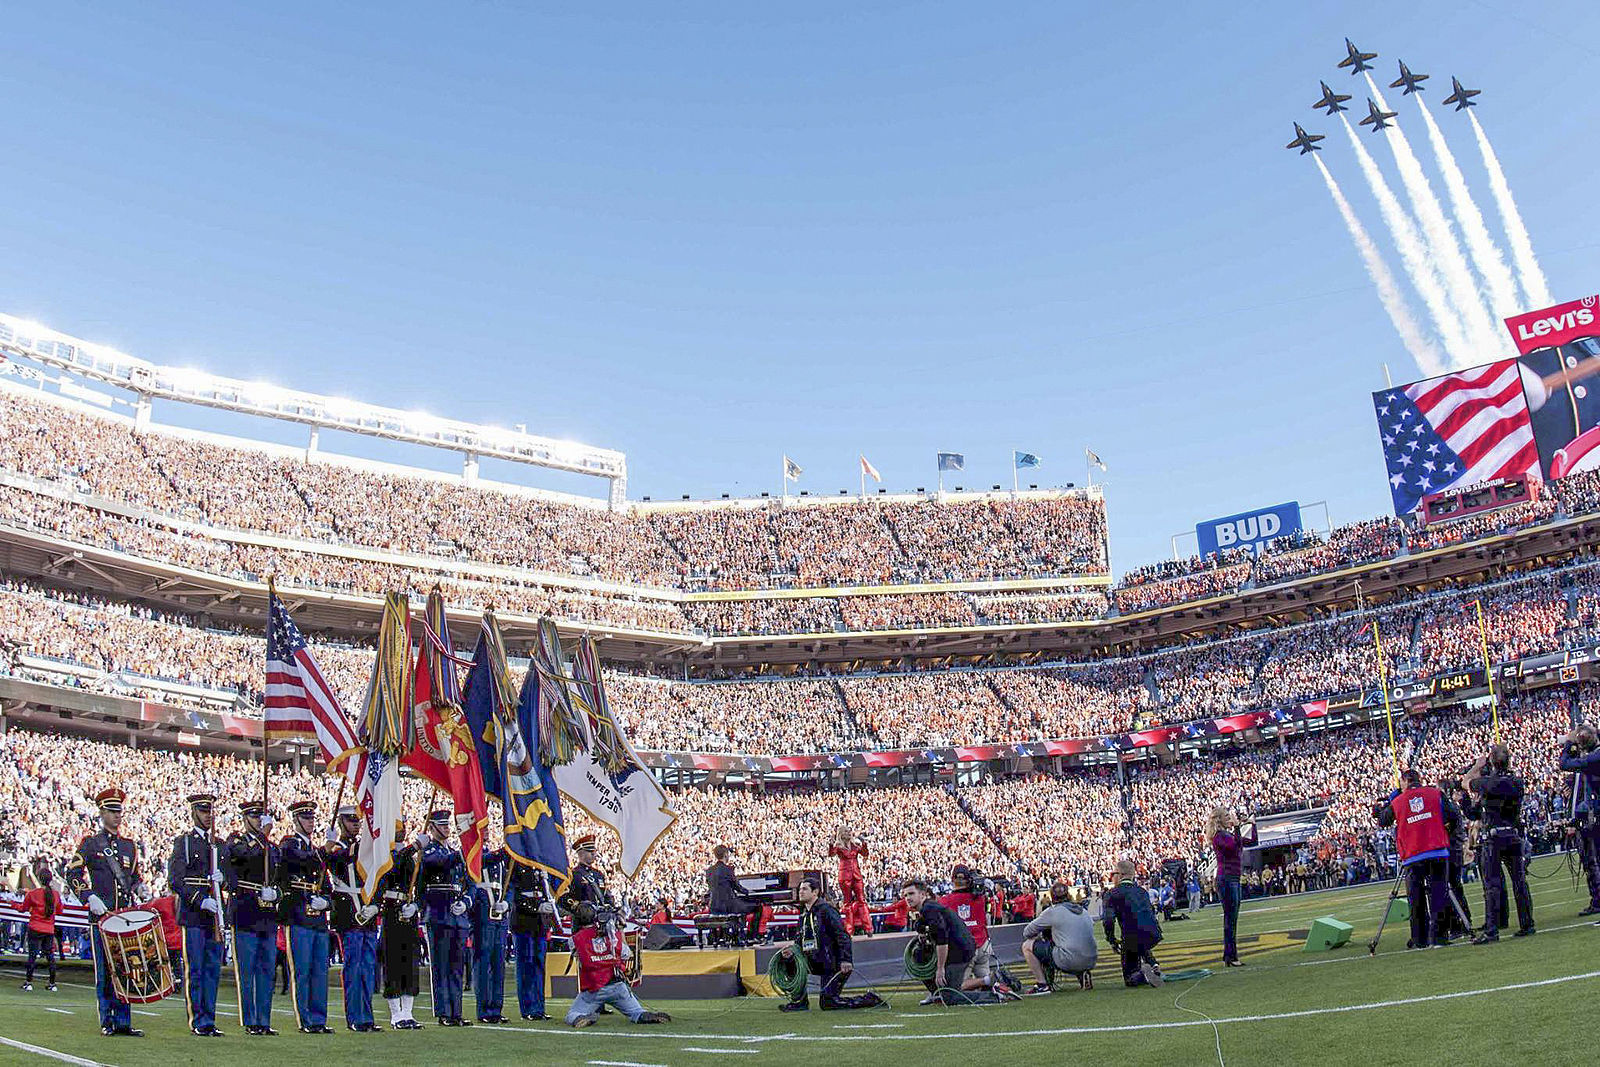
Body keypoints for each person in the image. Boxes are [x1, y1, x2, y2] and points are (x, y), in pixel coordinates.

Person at [63, 786, 146, 1037]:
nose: (117, 816)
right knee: (105, 973)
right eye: (112, 811)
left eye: (119, 811)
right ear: (102, 812)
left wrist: (140, 888)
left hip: (124, 918)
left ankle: (123, 1021)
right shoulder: (91, 844)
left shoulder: (129, 846)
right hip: (102, 918)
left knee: (126, 969)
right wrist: (88, 897)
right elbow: (72, 873)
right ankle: (107, 1020)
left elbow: (133, 878)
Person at [1374, 768, 1459, 949]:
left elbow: (1383, 820)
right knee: (1439, 894)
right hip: (1437, 850)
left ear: (1405, 781)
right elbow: (1454, 816)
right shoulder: (1436, 794)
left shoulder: (1398, 801)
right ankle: (1439, 938)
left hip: (1413, 855)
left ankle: (1420, 939)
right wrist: (1444, 831)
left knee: (1416, 899)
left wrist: (1379, 809)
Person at [166, 792, 226, 1036]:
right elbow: (176, 880)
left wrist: (225, 879)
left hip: (214, 917)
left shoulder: (218, 845)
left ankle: (209, 1019)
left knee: (212, 970)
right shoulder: (185, 843)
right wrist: (200, 900)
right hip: (194, 913)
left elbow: (231, 877)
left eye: (210, 811)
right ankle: (197, 1020)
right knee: (197, 969)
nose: (208, 816)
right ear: (193, 812)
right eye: (203, 811)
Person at [777, 876, 883, 1012]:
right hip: (814, 959)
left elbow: (842, 936)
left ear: (815, 892)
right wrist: (792, 951)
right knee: (790, 961)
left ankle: (869, 999)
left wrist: (845, 959)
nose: (800, 892)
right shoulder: (804, 914)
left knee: (828, 1003)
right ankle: (799, 1002)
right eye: (800, 889)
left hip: (832, 962)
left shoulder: (826, 910)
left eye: (804, 889)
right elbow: (800, 939)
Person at [900, 880, 1012, 1006]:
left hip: (960, 952)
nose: (908, 898)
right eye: (905, 895)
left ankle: (994, 996)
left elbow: (942, 939)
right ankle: (938, 993)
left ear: (922, 895)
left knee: (950, 996)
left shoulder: (929, 909)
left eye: (911, 894)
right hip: (962, 948)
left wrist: (940, 969)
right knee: (919, 955)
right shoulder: (929, 907)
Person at [1467, 746, 1536, 943]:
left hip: (1494, 837)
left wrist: (1477, 766)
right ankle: (1527, 923)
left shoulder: (1488, 783)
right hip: (1513, 834)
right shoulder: (1517, 783)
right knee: (1520, 882)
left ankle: (1492, 930)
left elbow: (1466, 782)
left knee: (1492, 885)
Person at [564, 901, 672, 1027]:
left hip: (594, 988)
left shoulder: (575, 939)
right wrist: (619, 930)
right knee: (636, 1012)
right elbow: (626, 954)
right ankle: (643, 1015)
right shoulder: (611, 934)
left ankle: (581, 1018)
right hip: (617, 985)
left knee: (572, 1015)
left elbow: (578, 951)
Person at [225, 799, 282, 1036]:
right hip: (246, 911)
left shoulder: (272, 848)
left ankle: (264, 1019)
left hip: (267, 914)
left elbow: (280, 876)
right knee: (247, 969)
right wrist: (263, 838)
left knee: (267, 970)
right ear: (245, 819)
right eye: (254, 817)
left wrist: (276, 893)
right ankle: (250, 1020)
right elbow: (242, 858)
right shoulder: (236, 842)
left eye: (261, 817)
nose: (259, 821)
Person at [324, 805, 381, 1033]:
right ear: (340, 823)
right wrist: (330, 843)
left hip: (366, 912)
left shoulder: (364, 847)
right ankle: (354, 1017)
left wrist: (375, 905)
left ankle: (366, 1016)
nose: (356, 824)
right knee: (353, 967)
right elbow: (335, 862)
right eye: (350, 820)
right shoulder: (339, 848)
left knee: (368, 967)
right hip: (348, 913)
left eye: (358, 820)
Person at [281, 799, 334, 1034]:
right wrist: (325, 849)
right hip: (299, 914)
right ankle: (305, 1019)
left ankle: (319, 1019)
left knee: (319, 971)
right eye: (305, 818)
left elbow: (328, 885)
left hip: (318, 918)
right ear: (295, 820)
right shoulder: (289, 844)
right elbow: (300, 861)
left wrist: (326, 901)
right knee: (302, 970)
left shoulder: (314, 850)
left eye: (312, 818)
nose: (310, 822)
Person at [419, 809, 472, 1026]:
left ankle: (456, 1012)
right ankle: (443, 1011)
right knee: (441, 966)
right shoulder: (429, 850)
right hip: (439, 913)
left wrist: (464, 902)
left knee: (457, 966)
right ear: (431, 828)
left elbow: (466, 879)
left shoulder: (451, 850)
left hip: (456, 915)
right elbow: (439, 863)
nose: (446, 828)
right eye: (441, 825)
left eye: (447, 825)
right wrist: (464, 851)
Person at [376, 820, 423, 1030]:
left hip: (408, 908)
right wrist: (414, 847)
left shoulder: (410, 856)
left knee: (410, 962)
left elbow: (420, 884)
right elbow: (390, 868)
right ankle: (396, 1014)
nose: (400, 831)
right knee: (393, 961)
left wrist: (416, 905)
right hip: (391, 909)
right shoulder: (386, 853)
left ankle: (408, 1012)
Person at [939, 865, 1014, 996]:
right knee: (986, 982)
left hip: (965, 948)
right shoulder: (980, 898)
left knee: (956, 987)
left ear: (952, 879)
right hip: (984, 944)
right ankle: (996, 983)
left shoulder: (945, 901)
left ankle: (988, 980)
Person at [1020, 883, 1097, 995]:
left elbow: (1027, 932)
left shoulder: (1052, 912)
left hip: (1068, 959)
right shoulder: (1083, 911)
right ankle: (1082, 974)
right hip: (1091, 959)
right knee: (1072, 942)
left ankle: (1042, 984)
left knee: (1027, 946)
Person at [506, 856, 556, 1021]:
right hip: (523, 920)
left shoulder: (539, 864)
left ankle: (539, 1007)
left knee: (539, 964)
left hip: (539, 922)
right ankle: (528, 1008)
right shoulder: (516, 862)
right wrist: (537, 906)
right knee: (526, 965)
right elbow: (512, 894)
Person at [1101, 860, 1163, 987]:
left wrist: (1111, 939)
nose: (1112, 877)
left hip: (1131, 937)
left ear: (1120, 874)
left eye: (1113, 874)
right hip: (1153, 934)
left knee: (1130, 978)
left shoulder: (1112, 894)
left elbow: (1108, 921)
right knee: (1140, 939)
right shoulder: (1142, 891)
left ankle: (1143, 975)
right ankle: (1152, 964)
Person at [1559, 724, 1600, 917]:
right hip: (1589, 814)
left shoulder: (1593, 759)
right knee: (1592, 861)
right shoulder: (1591, 759)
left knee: (1595, 861)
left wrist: (1568, 743)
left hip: (1595, 816)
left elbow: (1565, 763)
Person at [1208, 807, 1255, 968]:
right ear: (1220, 820)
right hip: (1227, 878)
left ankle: (1229, 955)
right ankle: (1231, 955)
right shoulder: (1219, 836)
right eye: (1227, 816)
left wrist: (1252, 825)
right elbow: (1234, 848)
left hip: (1233, 877)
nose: (1230, 818)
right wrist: (1237, 827)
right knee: (1230, 918)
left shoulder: (1227, 835)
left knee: (1232, 918)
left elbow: (1250, 841)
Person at [472, 847, 512, 1024]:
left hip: (499, 915)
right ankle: (484, 1009)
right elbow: (482, 861)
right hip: (483, 913)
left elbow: (509, 884)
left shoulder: (499, 859)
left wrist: (507, 903)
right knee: (483, 963)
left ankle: (496, 1008)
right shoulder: (475, 853)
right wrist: (505, 850)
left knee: (498, 963)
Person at [706, 844, 762, 943]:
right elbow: (737, 887)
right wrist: (749, 892)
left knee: (740, 905)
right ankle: (752, 936)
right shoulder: (728, 869)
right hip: (728, 906)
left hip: (714, 906)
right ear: (726, 855)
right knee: (758, 907)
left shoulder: (709, 871)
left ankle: (734, 936)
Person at [21, 860, 62, 993]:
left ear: (39, 878)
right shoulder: (55, 894)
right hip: (49, 928)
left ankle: (28, 982)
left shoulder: (33, 894)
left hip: (35, 927)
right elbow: (60, 910)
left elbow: (23, 908)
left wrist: (12, 904)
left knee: (32, 955)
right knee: (50, 957)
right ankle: (52, 983)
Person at [829, 830, 873, 935]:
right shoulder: (839, 847)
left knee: (861, 900)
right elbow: (831, 854)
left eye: (849, 832)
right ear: (842, 835)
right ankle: (849, 930)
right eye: (846, 832)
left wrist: (864, 844)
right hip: (844, 875)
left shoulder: (855, 845)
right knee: (847, 902)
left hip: (856, 874)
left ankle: (868, 928)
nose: (849, 833)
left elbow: (865, 854)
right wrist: (831, 844)